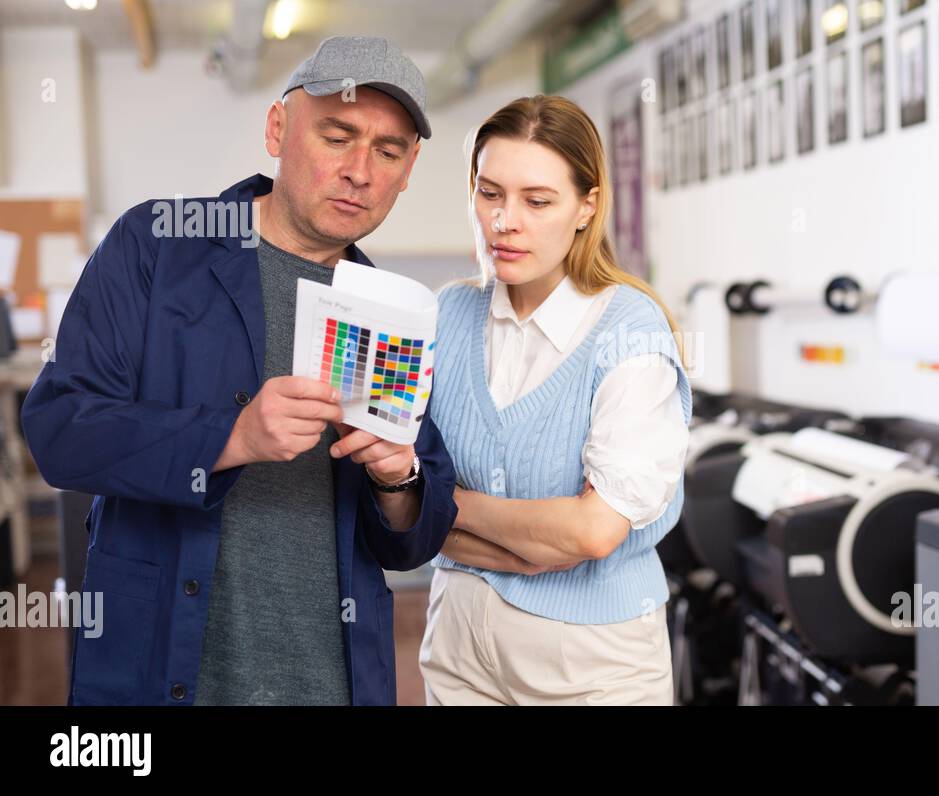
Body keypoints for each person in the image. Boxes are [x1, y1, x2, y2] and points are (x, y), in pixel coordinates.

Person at [21, 35, 457, 705]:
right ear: (278, 129)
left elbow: (409, 543)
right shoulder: (159, 245)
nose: (360, 171)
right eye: (337, 137)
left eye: (388, 151)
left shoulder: (391, 310)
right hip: (168, 675)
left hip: (330, 685)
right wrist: (233, 438)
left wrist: (399, 478)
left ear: (408, 169)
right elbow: (61, 431)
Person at [418, 95, 692, 705]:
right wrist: (525, 539)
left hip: (592, 662)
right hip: (459, 643)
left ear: (585, 207)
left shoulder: (630, 332)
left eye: (537, 201)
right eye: (489, 194)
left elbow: (593, 533)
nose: (504, 221)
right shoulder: (444, 315)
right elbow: (390, 504)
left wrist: (445, 506)